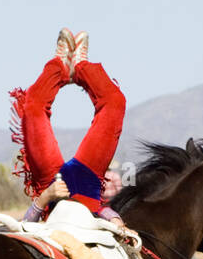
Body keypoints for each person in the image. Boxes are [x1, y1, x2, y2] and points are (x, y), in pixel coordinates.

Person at [11, 29, 125, 228]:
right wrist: (116, 219)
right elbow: (100, 208)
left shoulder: (49, 199)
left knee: (33, 109)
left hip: (51, 181)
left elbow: (25, 226)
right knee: (115, 103)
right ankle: (81, 66)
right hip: (88, 181)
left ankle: (60, 64)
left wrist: (46, 196)